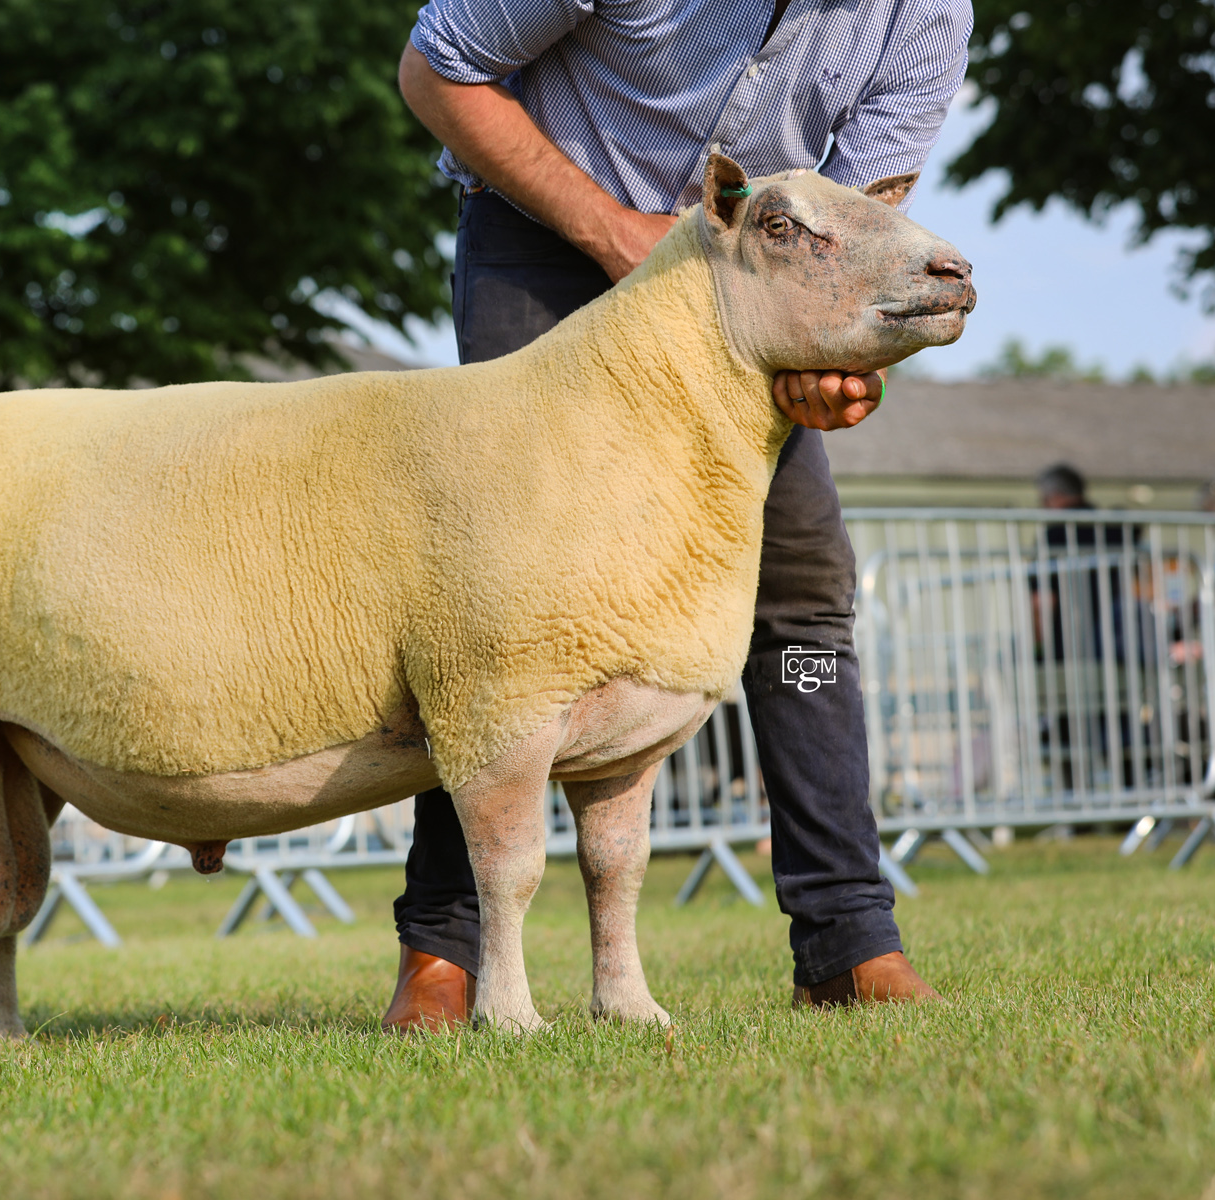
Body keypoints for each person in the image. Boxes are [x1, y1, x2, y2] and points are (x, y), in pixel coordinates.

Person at [381, 0, 972, 1026]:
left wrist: (839, 363)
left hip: (754, 282)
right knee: (501, 610)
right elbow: (437, 70)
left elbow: (861, 223)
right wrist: (618, 234)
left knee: (800, 608)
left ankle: (846, 938)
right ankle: (445, 950)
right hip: (552, 244)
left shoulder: (926, 13)